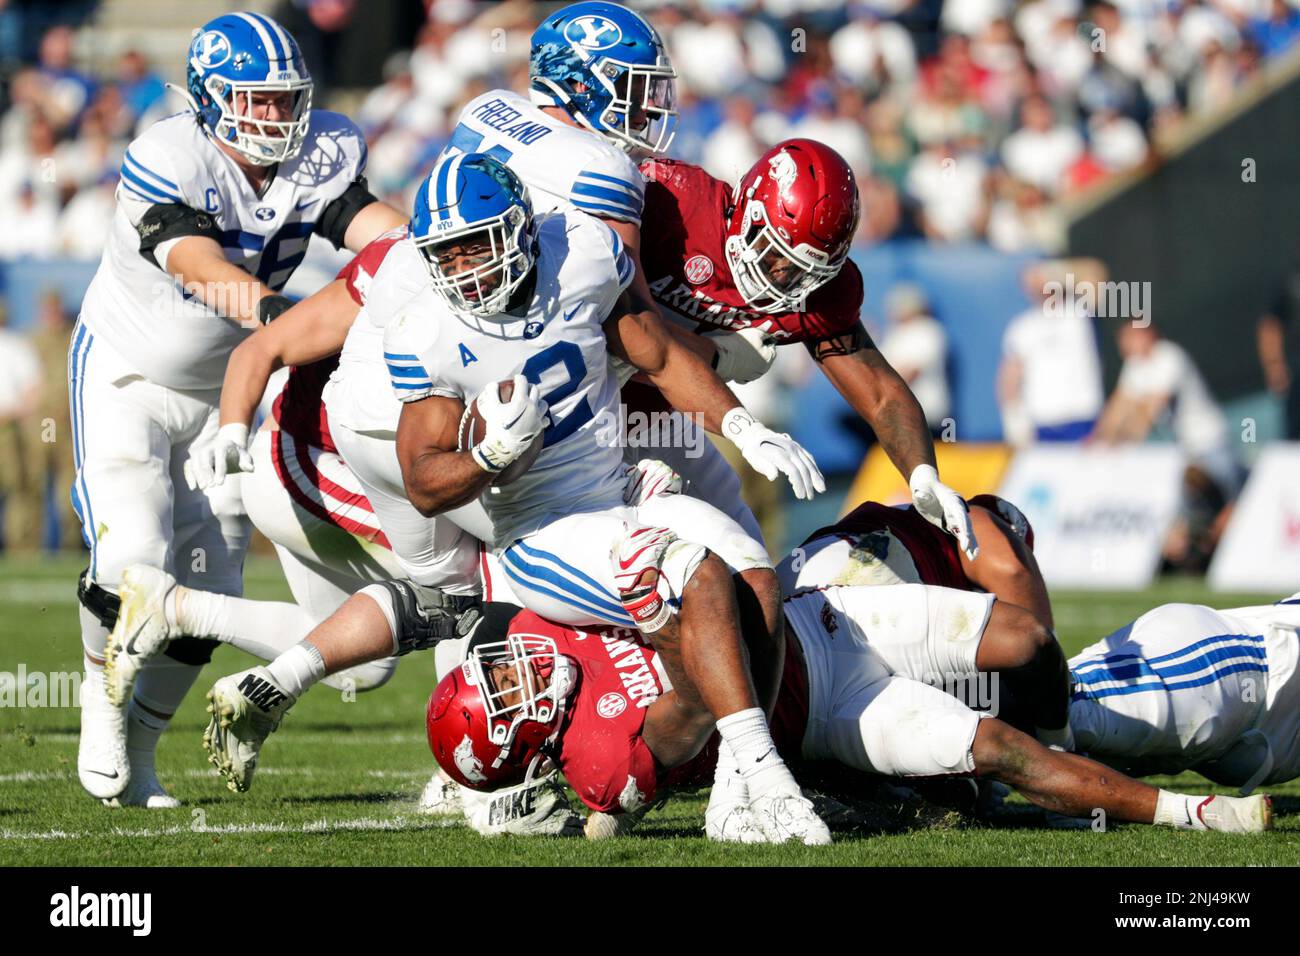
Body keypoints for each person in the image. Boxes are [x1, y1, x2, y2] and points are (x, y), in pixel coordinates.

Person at [201, 151, 832, 844]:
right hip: (511, 508)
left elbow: (655, 354)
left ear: (523, 229)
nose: (463, 269)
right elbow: (422, 479)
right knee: (639, 576)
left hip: (609, 487)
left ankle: (739, 790)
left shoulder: (584, 254)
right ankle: (757, 775)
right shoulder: (423, 322)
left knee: (752, 570)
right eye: (446, 253)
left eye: (476, 245)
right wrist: (487, 455)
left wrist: (741, 424)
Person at [72, 11, 407, 809]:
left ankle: (144, 759)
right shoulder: (168, 154)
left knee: (209, 581)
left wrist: (433, 252)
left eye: (286, 99)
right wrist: (282, 321)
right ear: (213, 99)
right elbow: (198, 266)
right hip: (130, 374)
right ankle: (98, 699)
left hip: (230, 390)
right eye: (256, 101)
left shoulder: (320, 150)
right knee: (134, 555)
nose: (276, 117)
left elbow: (370, 231)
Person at [427, 579, 1272, 840]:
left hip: (824, 615)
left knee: (1023, 639)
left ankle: (1076, 732)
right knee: (997, 751)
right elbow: (696, 691)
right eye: (503, 696)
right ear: (529, 744)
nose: (515, 672)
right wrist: (667, 603)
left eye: (495, 673)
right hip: (830, 707)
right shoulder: (606, 762)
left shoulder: (536, 626)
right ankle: (1194, 814)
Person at [634, 140, 977, 556]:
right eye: (776, 254)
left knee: (749, 567)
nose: (783, 277)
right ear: (748, 210)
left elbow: (881, 392)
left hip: (664, 422)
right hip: (585, 408)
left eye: (804, 271)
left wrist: (922, 474)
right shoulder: (669, 200)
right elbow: (618, 328)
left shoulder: (820, 292)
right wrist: (718, 357)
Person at [1091, 322, 1241, 570]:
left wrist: (1124, 443)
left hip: (1211, 441)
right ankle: (1196, 556)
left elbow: (1152, 407)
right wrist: (1100, 440)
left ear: (1148, 335)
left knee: (1233, 501)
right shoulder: (1136, 365)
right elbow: (1120, 405)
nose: (1124, 345)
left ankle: (1222, 555)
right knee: (1188, 507)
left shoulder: (1169, 357)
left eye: (1130, 338)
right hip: (1187, 448)